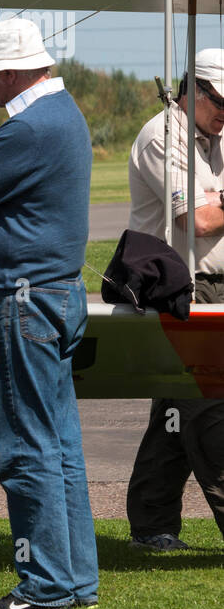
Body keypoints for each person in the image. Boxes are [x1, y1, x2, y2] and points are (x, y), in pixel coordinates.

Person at [0, 16, 98, 609]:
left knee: (25, 448)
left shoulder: (30, 128)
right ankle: (72, 580)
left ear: (8, 72)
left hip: (20, 300)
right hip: (52, 295)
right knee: (58, 445)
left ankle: (47, 584)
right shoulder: (61, 115)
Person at [125, 49, 224, 550]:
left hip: (215, 283)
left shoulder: (214, 134)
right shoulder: (163, 135)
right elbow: (199, 220)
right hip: (183, 286)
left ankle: (151, 523)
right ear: (195, 91)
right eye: (221, 103)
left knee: (175, 410)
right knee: (209, 407)